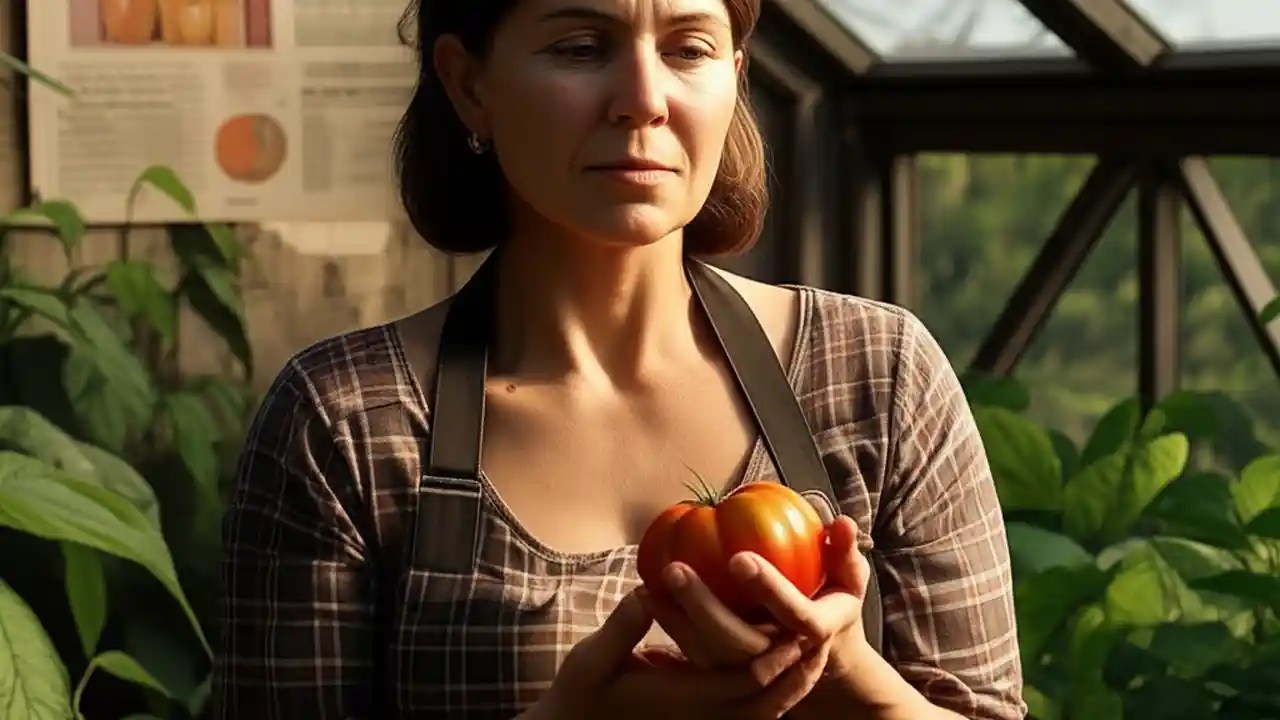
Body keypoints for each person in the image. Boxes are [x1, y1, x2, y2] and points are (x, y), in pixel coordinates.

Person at [213, 0, 1026, 718]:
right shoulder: (346, 420)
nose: (644, 101)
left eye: (689, 48)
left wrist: (854, 681)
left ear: (735, 78)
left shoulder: (878, 374)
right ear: (469, 85)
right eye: (579, 46)